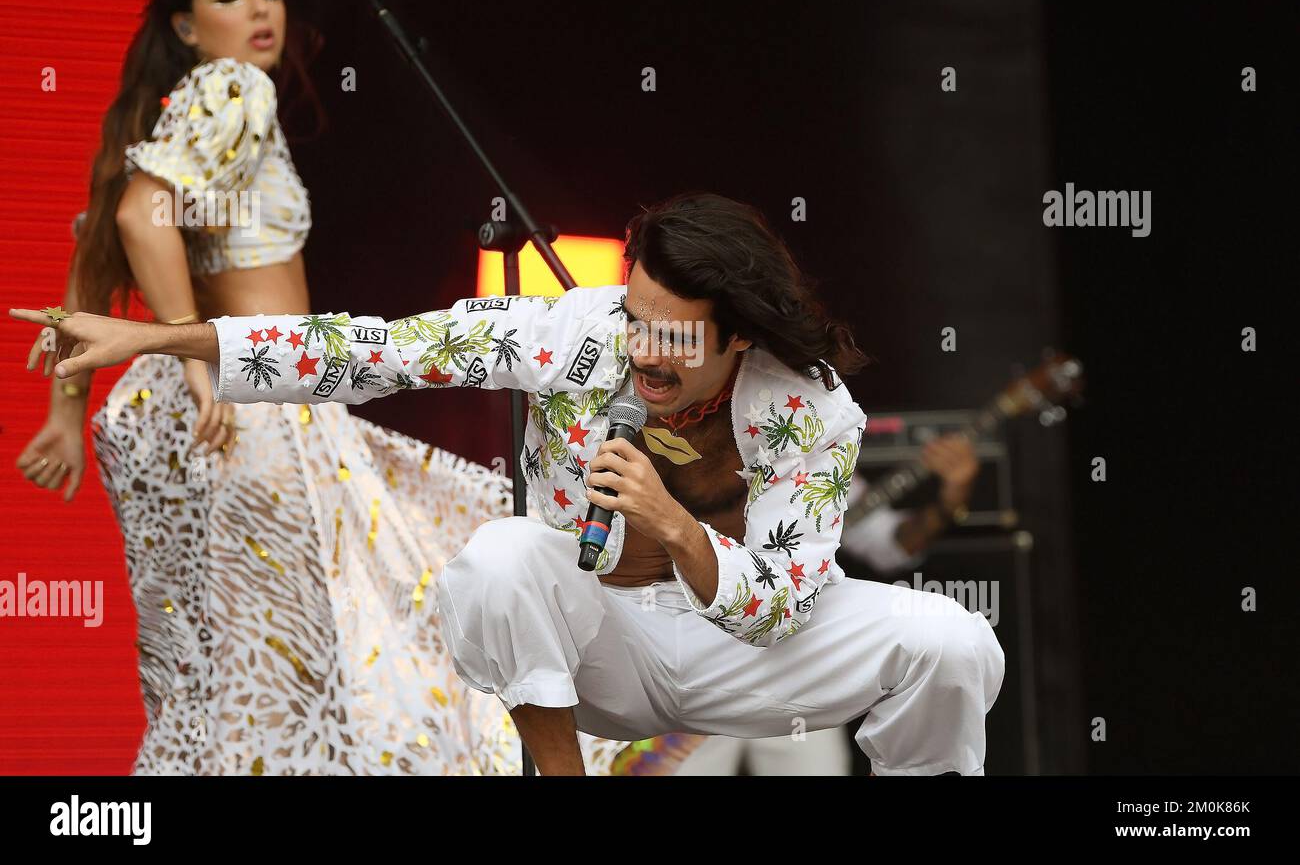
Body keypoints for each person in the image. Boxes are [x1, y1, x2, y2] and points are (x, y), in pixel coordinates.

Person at [12, 191, 1007, 776]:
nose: (641, 351)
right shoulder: (573, 332)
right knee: (500, 554)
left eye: (673, 336)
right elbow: (372, 351)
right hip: (596, 651)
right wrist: (161, 334)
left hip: (743, 652)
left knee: (954, 640)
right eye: (634, 316)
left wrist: (674, 521)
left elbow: (781, 609)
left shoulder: (811, 409)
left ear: (739, 332)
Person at [12, 0, 632, 776]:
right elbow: (134, 219)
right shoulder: (235, 91)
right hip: (245, 405)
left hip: (165, 416)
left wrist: (63, 415)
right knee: (329, 644)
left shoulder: (171, 112)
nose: (260, 13)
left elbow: (97, 250)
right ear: (186, 25)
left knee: (208, 673)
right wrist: (201, 365)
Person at [673, 433, 981, 775]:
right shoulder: (673, 437)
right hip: (692, 666)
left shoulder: (809, 440)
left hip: (795, 671)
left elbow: (885, 541)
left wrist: (950, 501)